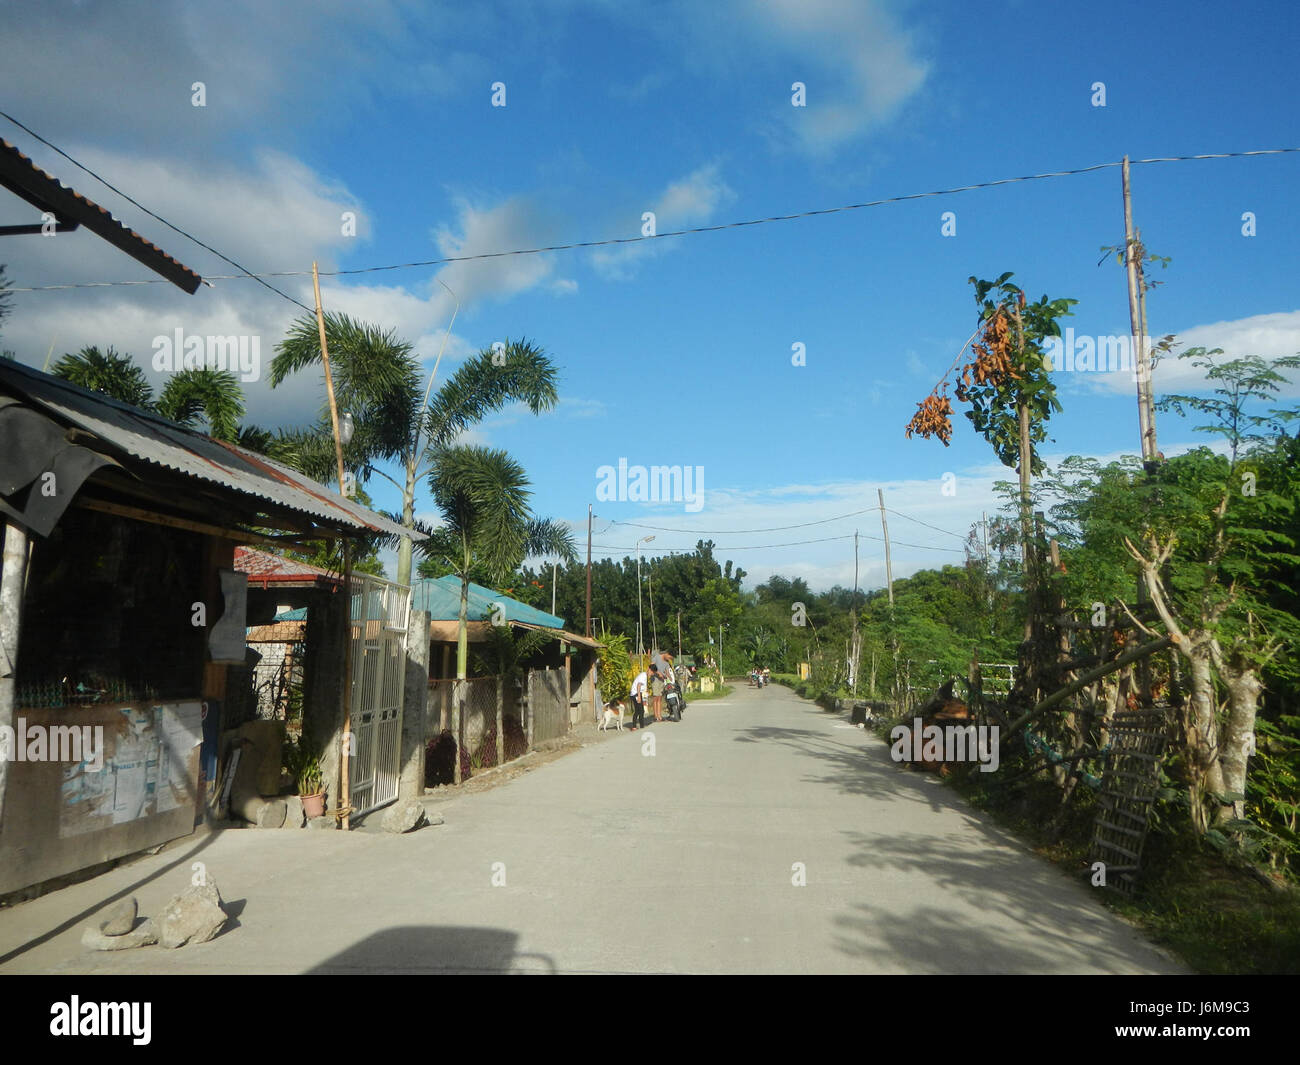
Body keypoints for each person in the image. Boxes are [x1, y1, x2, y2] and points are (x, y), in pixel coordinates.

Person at [629, 665, 649, 730]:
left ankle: (639, 726)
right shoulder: (643, 675)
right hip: (636, 694)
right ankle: (637, 726)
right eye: (652, 673)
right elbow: (638, 685)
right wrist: (639, 696)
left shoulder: (644, 675)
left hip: (637, 694)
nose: (651, 675)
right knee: (639, 711)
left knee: (639, 711)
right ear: (650, 670)